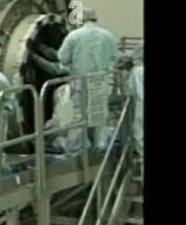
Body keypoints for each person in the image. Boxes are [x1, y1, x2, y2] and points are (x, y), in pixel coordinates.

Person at [57, 8, 121, 152]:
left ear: (81, 20)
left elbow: (62, 57)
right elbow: (117, 58)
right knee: (99, 114)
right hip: (100, 80)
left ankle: (77, 148)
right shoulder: (108, 36)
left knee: (79, 114)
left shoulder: (74, 36)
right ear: (95, 19)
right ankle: (100, 145)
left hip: (80, 81)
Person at [126, 43, 144, 160]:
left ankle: (142, 155)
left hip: (141, 104)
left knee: (139, 132)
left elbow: (130, 90)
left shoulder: (136, 71)